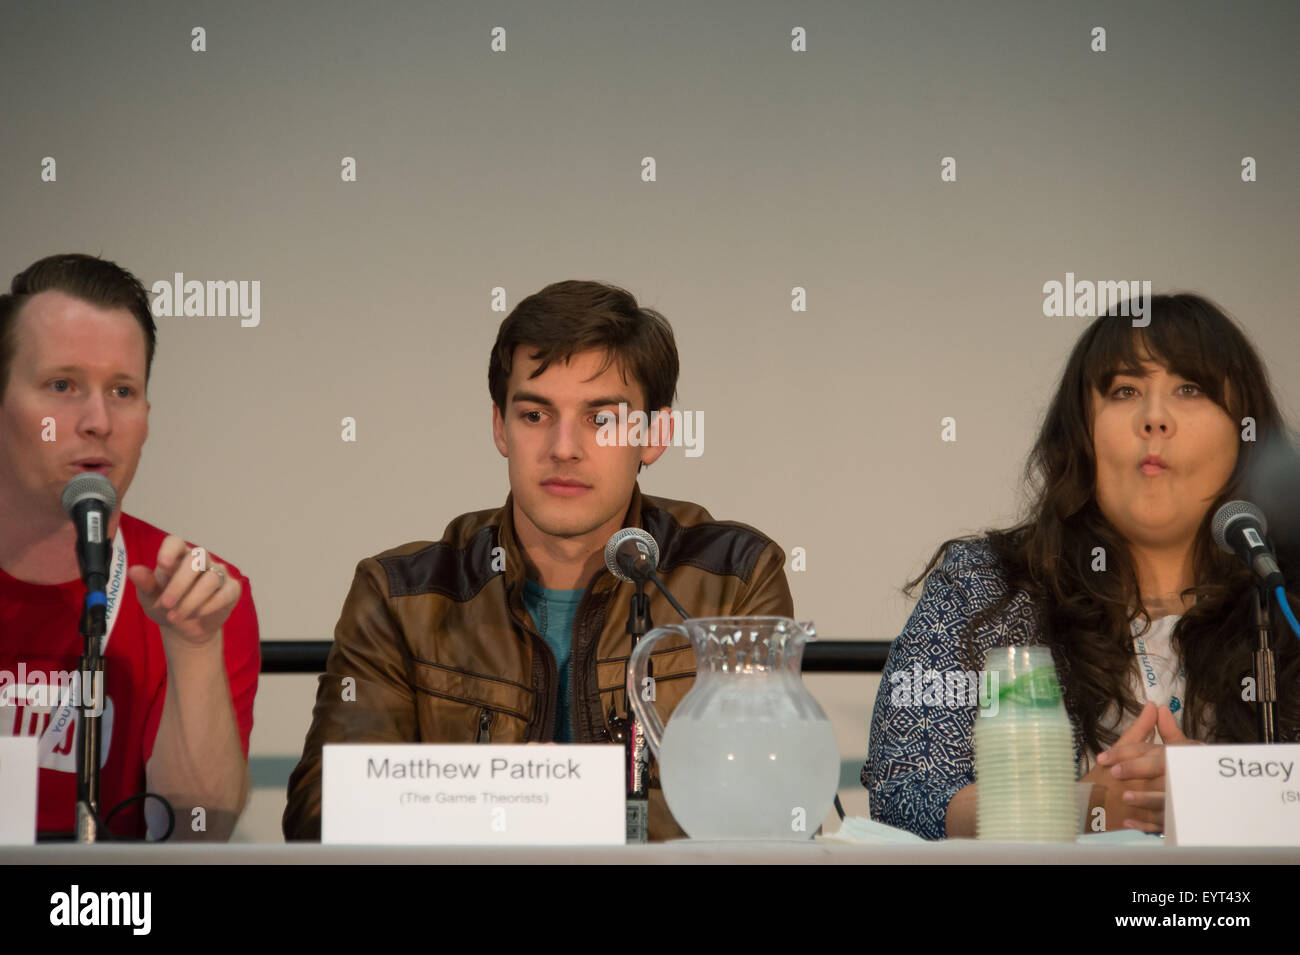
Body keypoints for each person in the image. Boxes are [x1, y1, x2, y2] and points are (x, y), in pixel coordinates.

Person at [283, 280, 793, 840]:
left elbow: (770, 807)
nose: (564, 447)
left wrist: (558, 801)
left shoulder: (734, 577)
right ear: (500, 427)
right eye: (534, 415)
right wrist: (529, 795)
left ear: (654, 436)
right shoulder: (402, 595)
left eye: (602, 419)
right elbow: (322, 813)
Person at [863, 293, 1300, 839]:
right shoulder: (986, 589)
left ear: (1246, 432)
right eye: (1125, 391)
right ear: (1082, 434)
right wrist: (1079, 808)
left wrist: (1220, 794)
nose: (1155, 418)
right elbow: (904, 794)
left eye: (1189, 389)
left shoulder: (1285, 599)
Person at [0, 253, 260, 840]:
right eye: (61, 385)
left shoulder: (194, 592)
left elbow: (197, 834)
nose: (98, 420)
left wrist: (193, 646)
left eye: (122, 390)